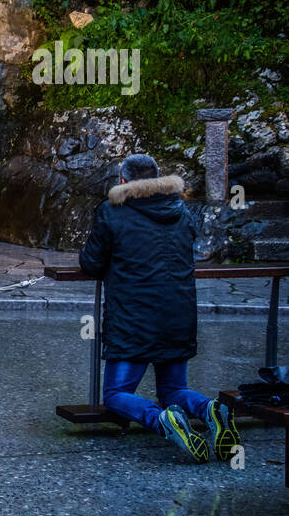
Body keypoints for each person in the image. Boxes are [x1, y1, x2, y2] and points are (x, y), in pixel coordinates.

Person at [79, 154, 239, 463]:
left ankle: (162, 419)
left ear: (123, 181)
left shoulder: (112, 212)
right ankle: (210, 409)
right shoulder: (181, 210)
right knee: (173, 389)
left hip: (133, 318)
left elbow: (91, 262)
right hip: (178, 314)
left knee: (115, 394)